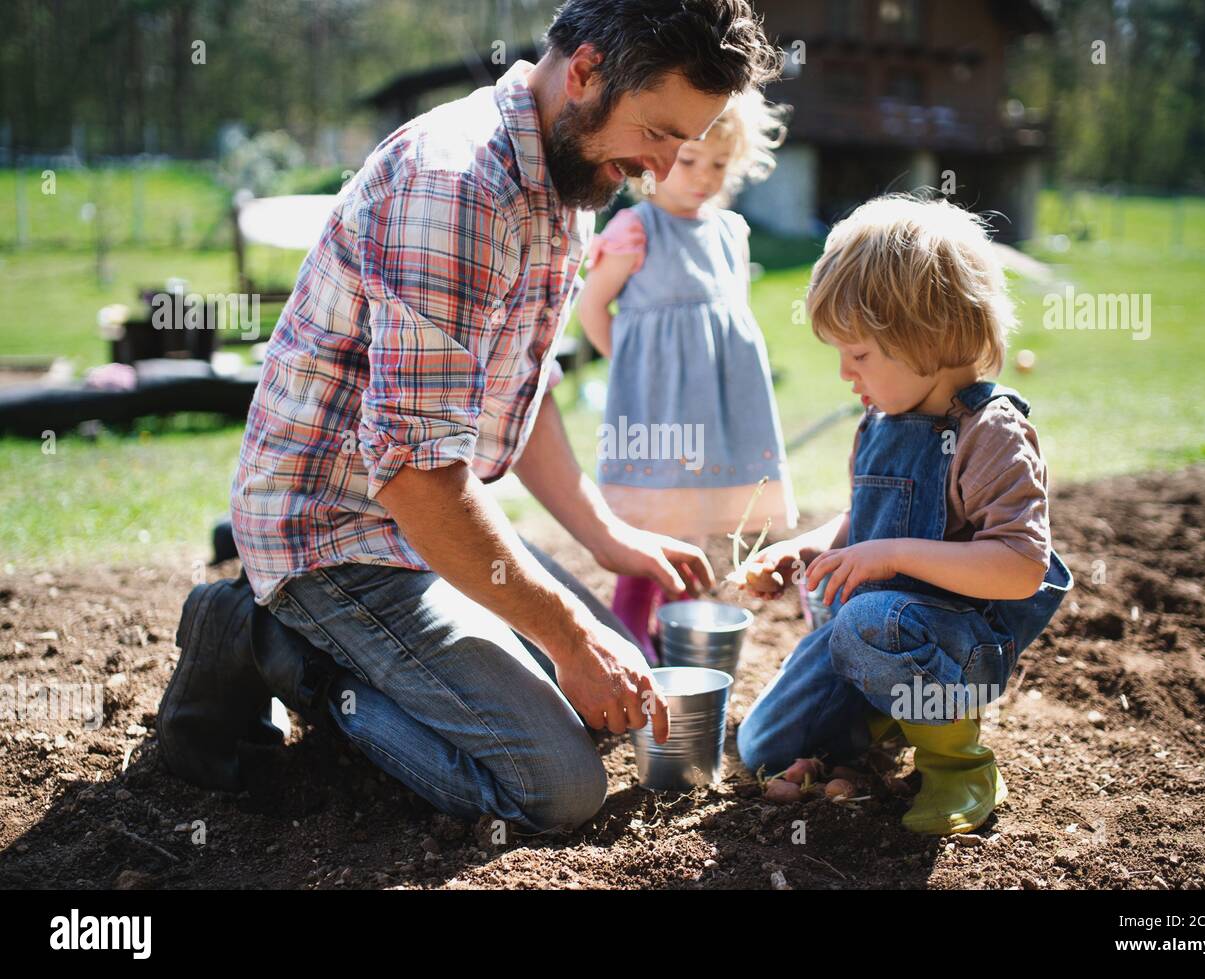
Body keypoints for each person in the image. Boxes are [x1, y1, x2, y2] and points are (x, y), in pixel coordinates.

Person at [157, 0, 782, 835]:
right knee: (558, 786)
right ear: (588, 71)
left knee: (616, 701)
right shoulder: (455, 186)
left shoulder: (572, 170)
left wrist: (605, 540)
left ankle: (362, 659)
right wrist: (567, 636)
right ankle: (276, 644)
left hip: (421, 526)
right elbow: (416, 475)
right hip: (336, 534)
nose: (666, 168)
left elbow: (522, 385)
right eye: (662, 132)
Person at [736, 195, 1074, 835]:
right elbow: (867, 517)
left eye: (859, 355)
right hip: (871, 633)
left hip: (962, 643)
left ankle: (958, 764)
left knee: (872, 616)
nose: (843, 373)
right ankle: (875, 728)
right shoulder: (883, 419)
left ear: (929, 337)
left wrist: (887, 557)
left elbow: (1021, 567)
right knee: (764, 748)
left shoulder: (990, 433)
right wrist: (804, 548)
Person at [577, 90, 797, 659]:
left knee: (693, 523)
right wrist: (631, 371)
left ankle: (676, 631)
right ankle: (628, 628)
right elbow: (592, 308)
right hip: (655, 411)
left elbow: (726, 326)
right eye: (691, 159)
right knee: (651, 522)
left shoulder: (730, 231)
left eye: (719, 165)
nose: (702, 176)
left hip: (714, 413)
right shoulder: (636, 229)